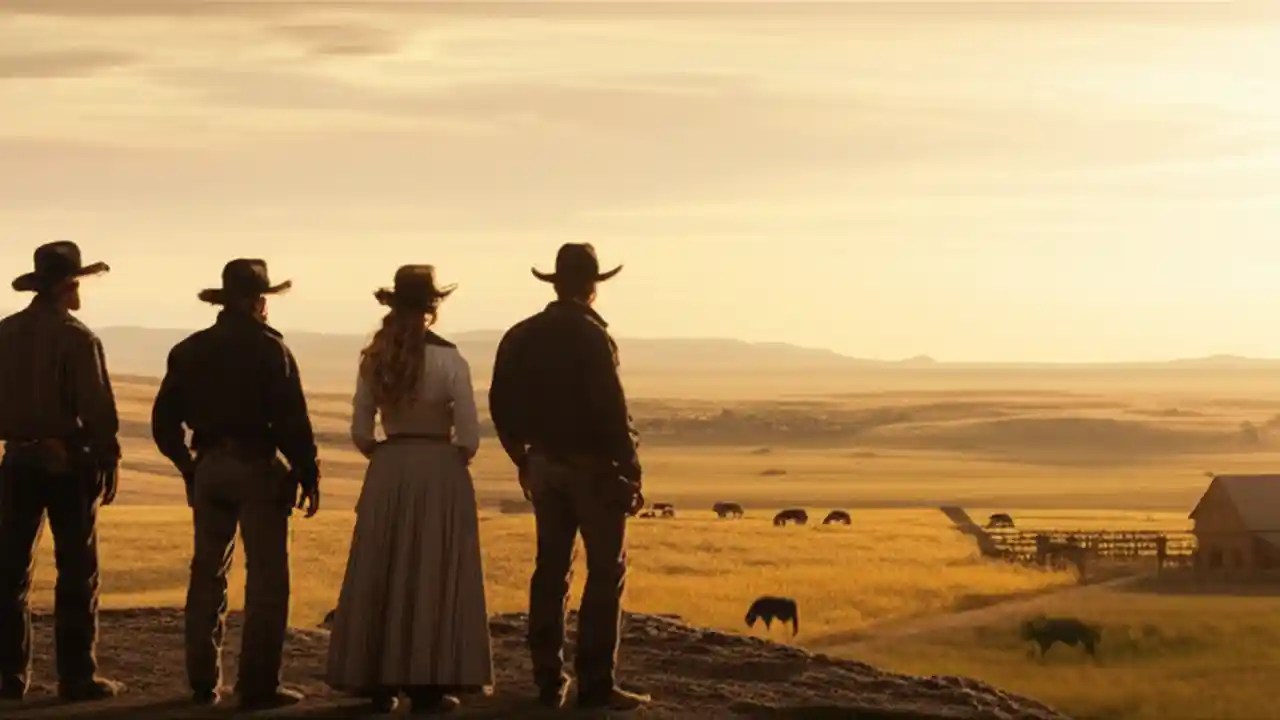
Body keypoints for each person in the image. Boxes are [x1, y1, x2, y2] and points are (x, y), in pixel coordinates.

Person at [150, 259, 320, 710]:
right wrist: (307, 469)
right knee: (266, 579)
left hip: (209, 466)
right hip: (257, 466)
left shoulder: (188, 350)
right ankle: (258, 685)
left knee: (207, 573)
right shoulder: (271, 351)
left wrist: (189, 467)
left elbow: (163, 422)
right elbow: (291, 420)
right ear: (256, 301)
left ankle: (203, 683)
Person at [326, 265, 493, 716]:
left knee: (380, 566)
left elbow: (361, 431)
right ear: (433, 307)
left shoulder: (374, 357)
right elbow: (470, 438)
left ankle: (376, 680)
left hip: (389, 466)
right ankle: (427, 685)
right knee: (432, 571)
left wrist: (387, 453)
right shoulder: (451, 360)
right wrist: (448, 456)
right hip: (439, 468)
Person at [489, 243, 648, 712]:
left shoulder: (520, 335)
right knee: (604, 573)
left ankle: (547, 679)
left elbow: (500, 404)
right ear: (592, 287)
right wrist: (631, 470)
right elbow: (612, 410)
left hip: (543, 466)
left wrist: (521, 456)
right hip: (594, 469)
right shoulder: (593, 338)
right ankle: (596, 683)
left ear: (555, 283)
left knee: (551, 569)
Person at [0, 241, 125, 703]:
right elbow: (97, 410)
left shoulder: (4, 333)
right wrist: (105, 457)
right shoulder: (78, 338)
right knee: (76, 570)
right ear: (65, 287)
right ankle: (76, 677)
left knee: (9, 571)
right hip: (69, 464)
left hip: (16, 460)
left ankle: (8, 676)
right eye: (77, 284)